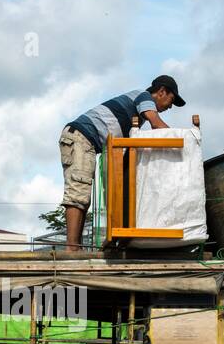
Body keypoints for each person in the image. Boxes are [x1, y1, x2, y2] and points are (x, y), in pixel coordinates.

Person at [61, 75, 185, 249]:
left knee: (83, 198)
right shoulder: (144, 97)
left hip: (84, 141)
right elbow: (156, 125)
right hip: (80, 137)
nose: (170, 106)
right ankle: (72, 248)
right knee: (78, 194)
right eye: (171, 100)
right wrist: (184, 141)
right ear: (162, 91)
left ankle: (75, 247)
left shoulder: (135, 116)